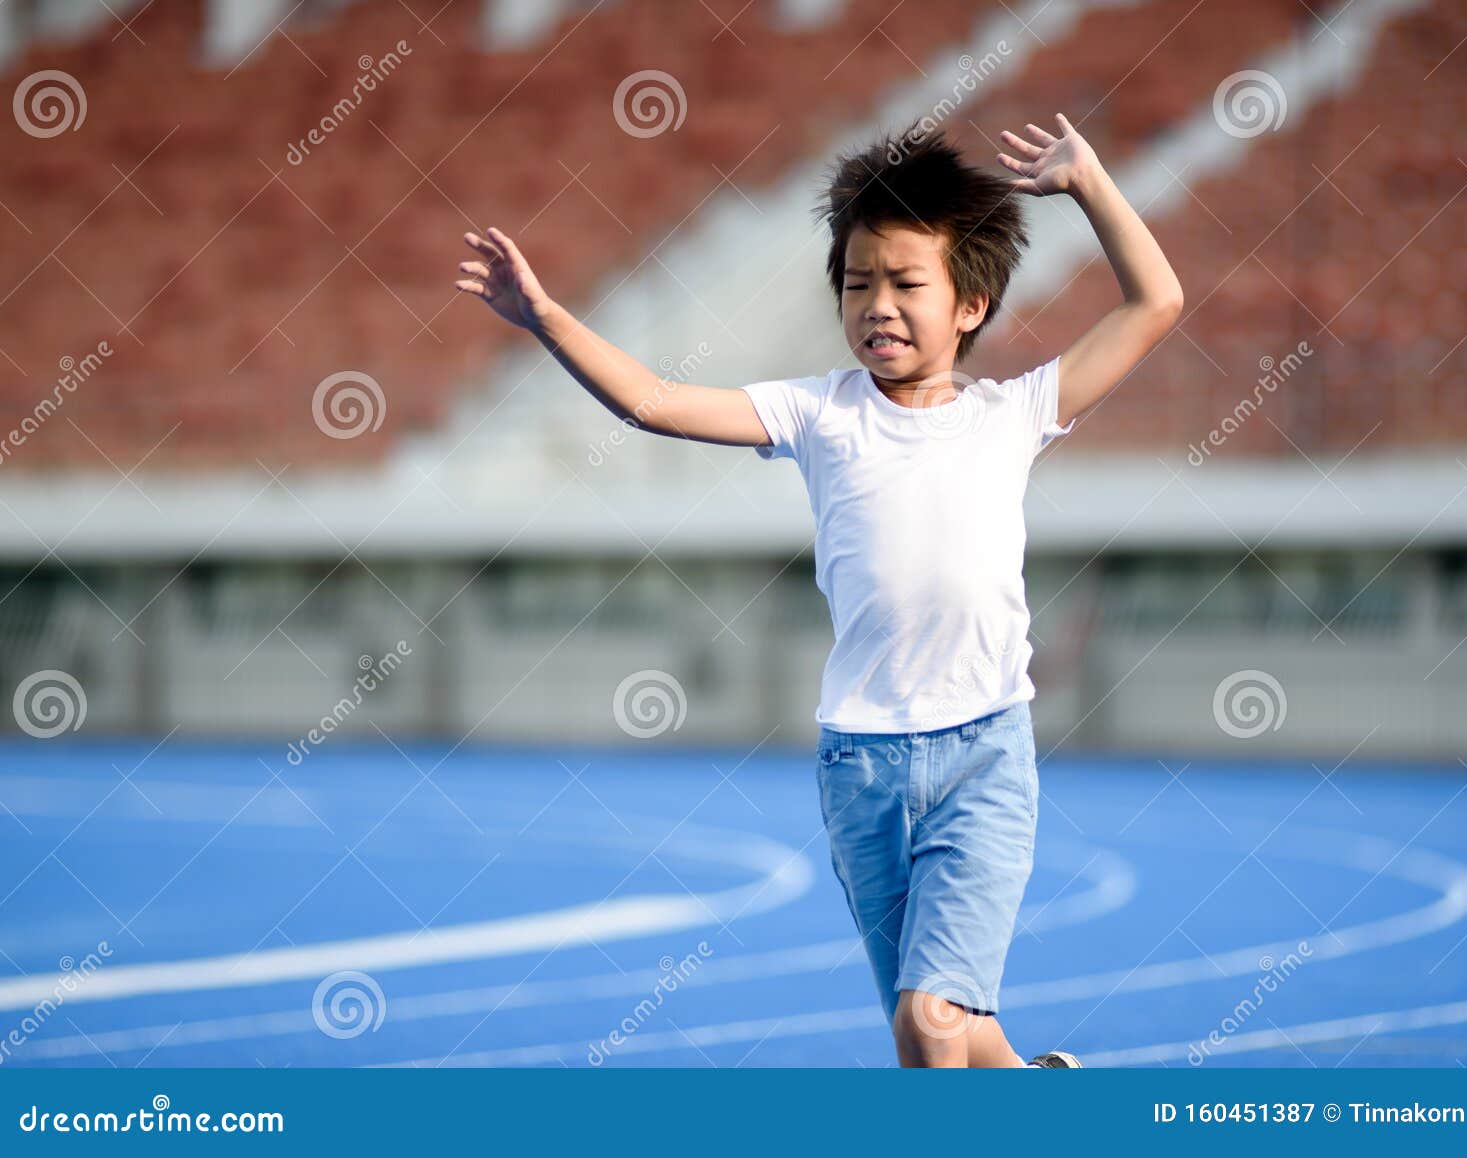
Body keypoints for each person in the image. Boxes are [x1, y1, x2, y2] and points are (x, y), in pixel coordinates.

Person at [455, 115, 1182, 1068]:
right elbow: (654, 402)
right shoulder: (817, 412)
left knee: (927, 1022)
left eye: (906, 282)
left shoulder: (1016, 413)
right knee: (959, 1026)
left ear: (971, 303)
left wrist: (1090, 183)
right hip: (862, 770)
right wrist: (544, 316)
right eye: (857, 283)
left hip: (983, 756)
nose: (877, 302)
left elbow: (1155, 301)